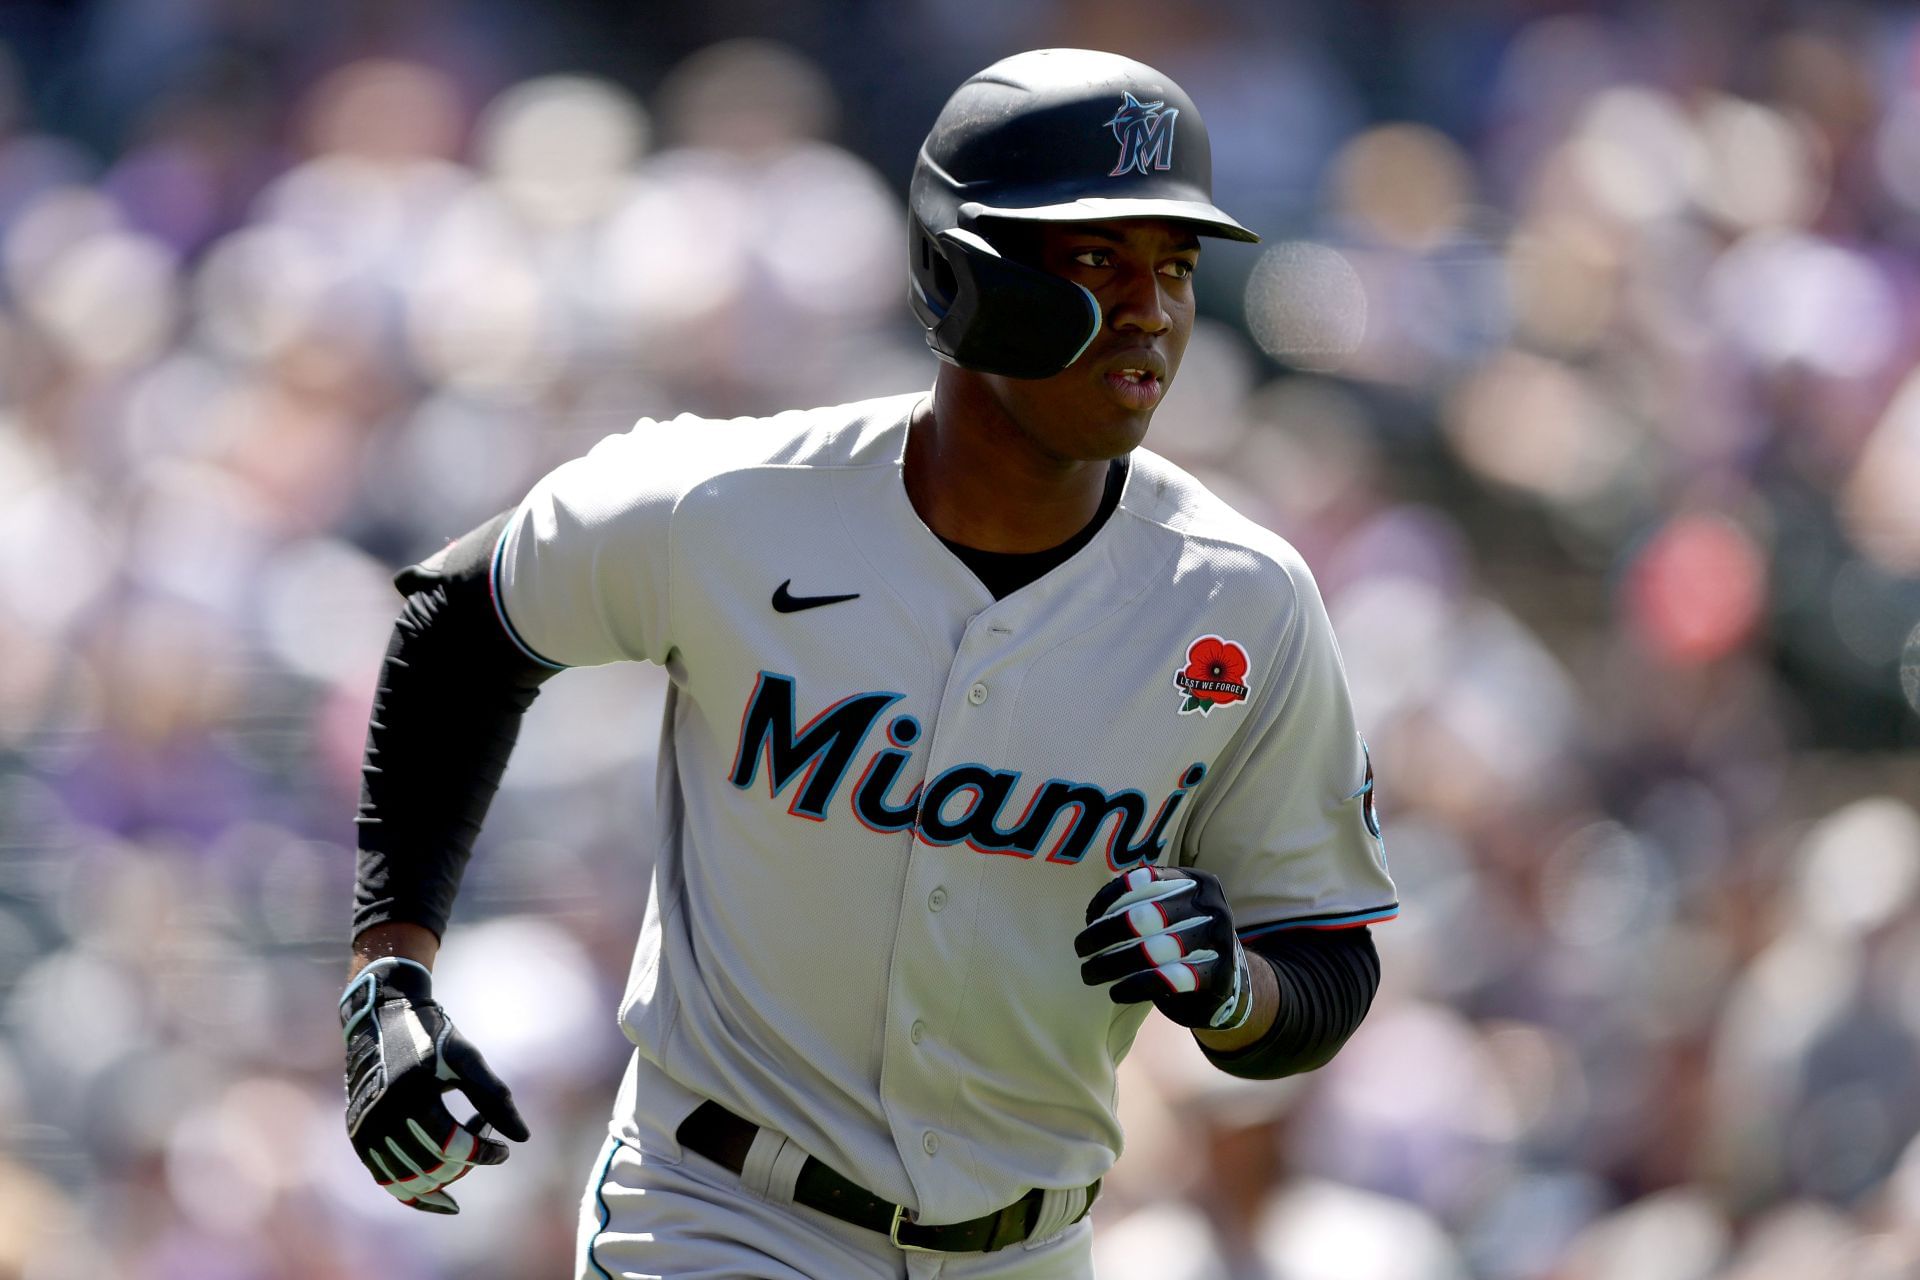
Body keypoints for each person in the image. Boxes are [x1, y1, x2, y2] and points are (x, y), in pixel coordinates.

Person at [340, 47, 1397, 1280]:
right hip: (720, 1211)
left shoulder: (1241, 598)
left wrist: (1231, 990)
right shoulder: (730, 504)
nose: (1153, 310)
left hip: (1031, 1242)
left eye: (1174, 266)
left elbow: (1326, 954)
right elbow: (464, 623)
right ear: (960, 272)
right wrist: (389, 972)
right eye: (1099, 260)